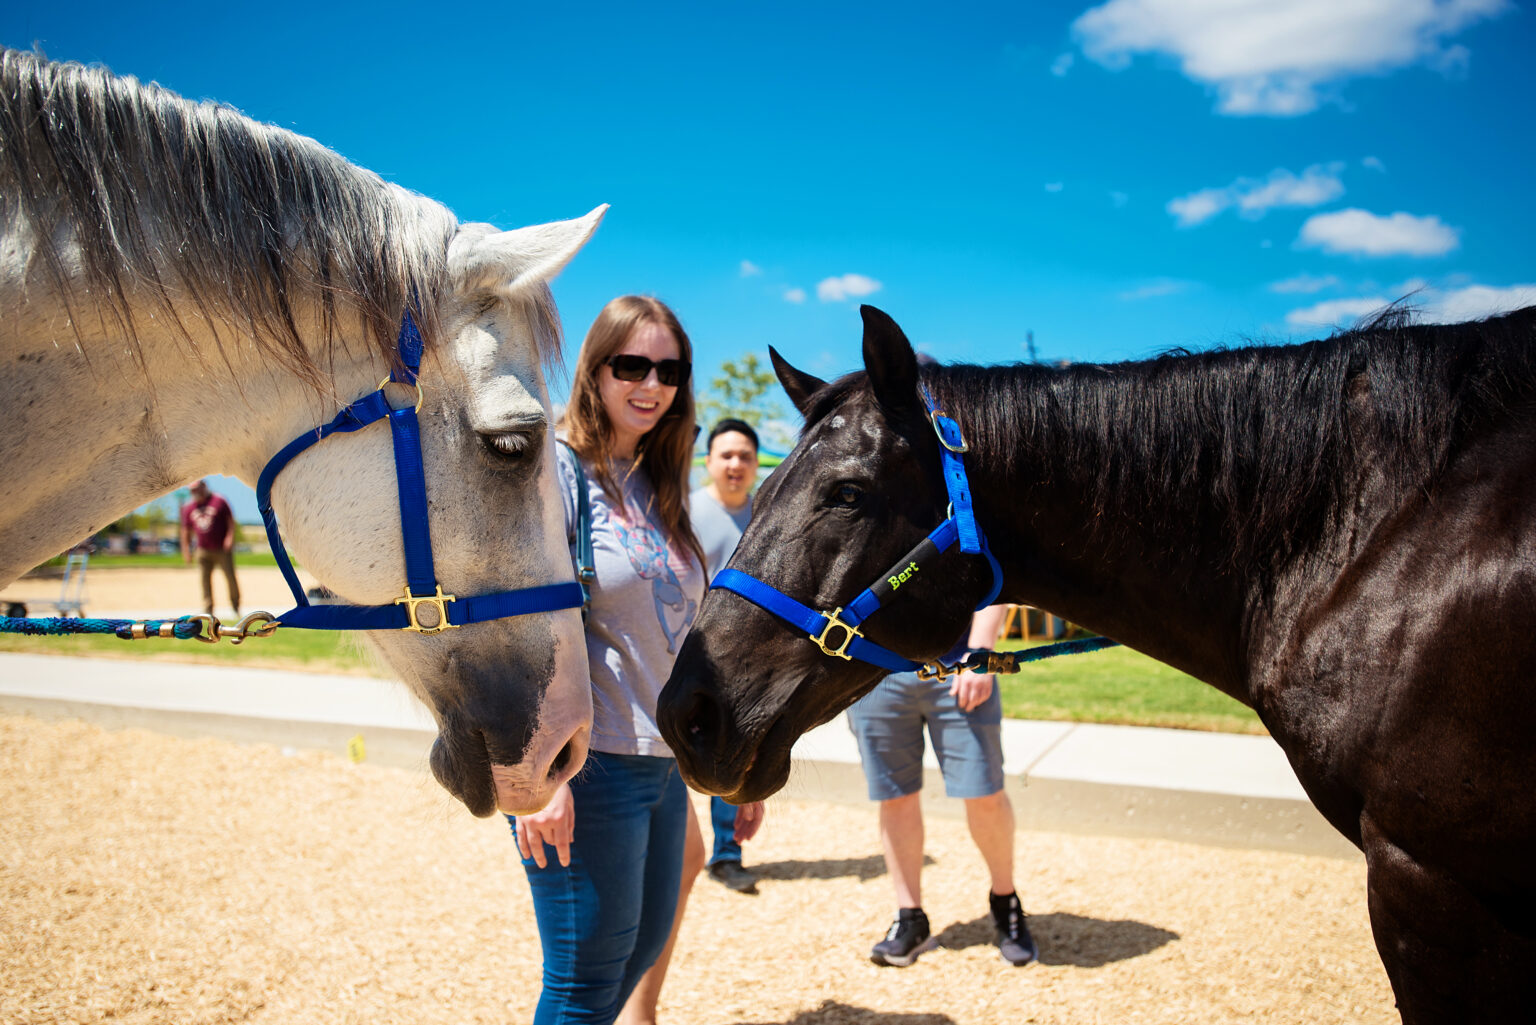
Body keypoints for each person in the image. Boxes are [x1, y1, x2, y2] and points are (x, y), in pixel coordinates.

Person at [508, 295, 713, 1025]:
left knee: (638, 953)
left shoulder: (659, 486)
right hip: (586, 769)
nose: (651, 385)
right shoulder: (555, 475)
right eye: (632, 365)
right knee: (583, 981)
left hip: (659, 764)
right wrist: (543, 778)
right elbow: (522, 624)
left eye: (669, 370)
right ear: (595, 371)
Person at [847, 604, 1039, 968]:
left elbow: (991, 572)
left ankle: (1005, 902)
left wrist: (982, 651)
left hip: (959, 667)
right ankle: (910, 918)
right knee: (894, 797)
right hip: (875, 671)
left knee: (984, 792)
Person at [689, 418, 766, 894]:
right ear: (709, 461)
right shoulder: (686, 512)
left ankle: (726, 853)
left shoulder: (769, 515)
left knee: (734, 754)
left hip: (747, 662)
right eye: (727, 455)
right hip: (685, 651)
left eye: (745, 456)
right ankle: (675, 846)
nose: (736, 464)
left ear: (756, 465)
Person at [179, 478, 239, 617]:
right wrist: (186, 550)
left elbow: (230, 522)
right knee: (205, 581)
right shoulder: (189, 507)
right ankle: (208, 610)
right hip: (202, 550)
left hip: (221, 549)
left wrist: (229, 538)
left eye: (196, 489)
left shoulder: (219, 501)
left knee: (230, 577)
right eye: (192, 490)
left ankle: (235, 605)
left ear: (204, 486)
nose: (195, 492)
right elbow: (185, 531)